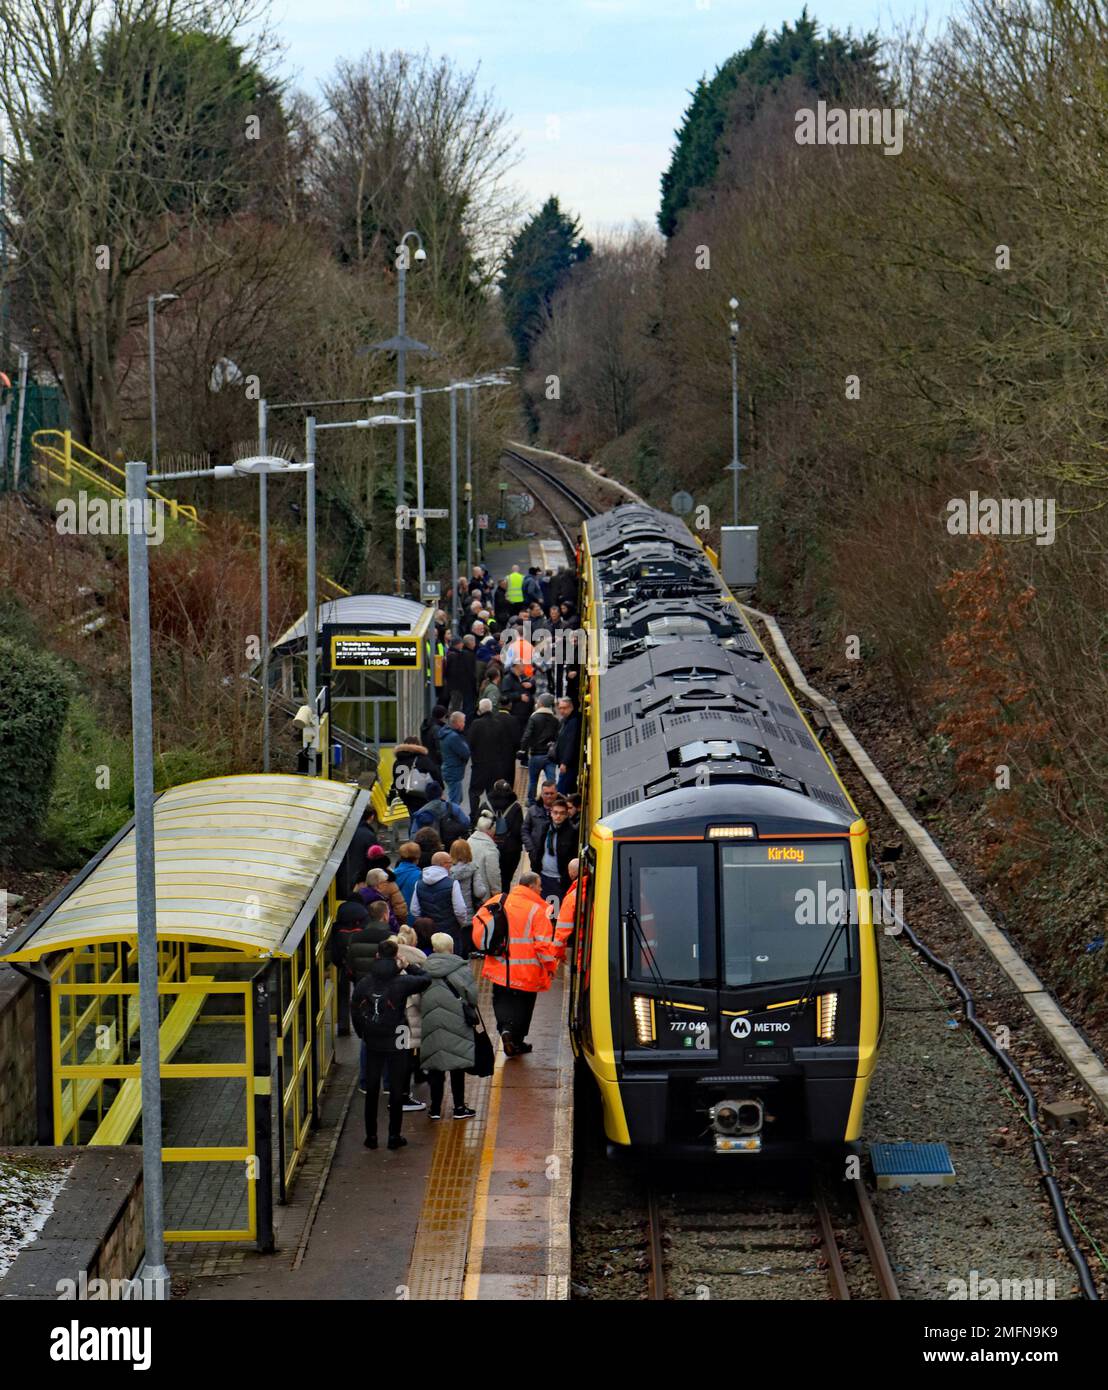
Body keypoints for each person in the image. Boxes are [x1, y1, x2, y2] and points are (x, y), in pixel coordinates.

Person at [352, 941, 430, 1149]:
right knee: (397, 1087)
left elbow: (355, 1010)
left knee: (372, 1087)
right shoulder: (401, 982)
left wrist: (364, 1033)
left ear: (377, 956)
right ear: (396, 957)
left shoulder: (365, 982)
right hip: (398, 1035)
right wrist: (407, 966)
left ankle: (371, 1137)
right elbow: (426, 980)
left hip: (373, 1038)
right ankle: (394, 1136)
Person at [472, 872, 557, 1056]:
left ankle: (505, 1030)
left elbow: (478, 921)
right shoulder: (537, 910)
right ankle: (517, 1040)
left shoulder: (500, 900)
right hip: (527, 970)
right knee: (524, 1005)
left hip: (499, 965)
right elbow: (542, 945)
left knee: (501, 999)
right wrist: (551, 967)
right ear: (532, 887)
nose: (541, 889)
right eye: (539, 885)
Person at [418, 932, 479, 1120]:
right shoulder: (461, 968)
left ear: (434, 949)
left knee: (436, 1066)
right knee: (457, 1065)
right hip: (457, 1022)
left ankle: (435, 1109)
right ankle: (459, 1107)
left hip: (431, 1023)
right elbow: (473, 997)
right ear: (451, 948)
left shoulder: (423, 968)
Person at [411, 851, 469, 955]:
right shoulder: (452, 883)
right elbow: (460, 910)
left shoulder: (419, 884)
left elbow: (414, 909)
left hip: (428, 932)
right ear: (444, 864)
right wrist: (461, 924)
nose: (452, 866)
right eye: (450, 863)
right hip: (450, 930)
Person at [529, 795, 575, 903]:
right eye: (555, 812)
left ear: (567, 814)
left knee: (554, 914)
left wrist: (565, 879)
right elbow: (539, 849)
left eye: (562, 813)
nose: (558, 816)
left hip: (558, 880)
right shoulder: (546, 828)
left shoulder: (571, 832)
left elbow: (571, 857)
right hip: (542, 876)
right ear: (551, 812)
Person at [519, 694, 560, 804]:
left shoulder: (534, 718)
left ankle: (531, 801)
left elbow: (527, 735)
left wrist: (523, 749)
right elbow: (558, 738)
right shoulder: (554, 720)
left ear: (540, 704)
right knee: (552, 781)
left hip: (536, 755)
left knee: (533, 781)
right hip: (550, 756)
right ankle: (553, 800)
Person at [390, 736, 441, 820]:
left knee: (413, 817)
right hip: (422, 796)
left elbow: (396, 781)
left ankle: (413, 831)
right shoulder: (423, 760)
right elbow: (435, 774)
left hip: (406, 797)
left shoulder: (398, 761)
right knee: (424, 819)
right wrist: (440, 789)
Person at [487, 779, 525, 888]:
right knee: (506, 880)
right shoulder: (516, 807)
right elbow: (519, 831)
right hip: (510, 851)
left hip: (490, 848)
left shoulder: (487, 805)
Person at [337, 806, 381, 898]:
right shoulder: (369, 835)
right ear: (372, 816)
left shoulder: (345, 832)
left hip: (341, 880)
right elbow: (375, 861)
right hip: (360, 880)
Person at [410, 780, 470, 846]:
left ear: (427, 797)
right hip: (451, 847)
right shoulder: (452, 807)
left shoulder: (421, 813)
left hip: (431, 850)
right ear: (441, 794)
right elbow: (465, 823)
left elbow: (413, 837)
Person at [449, 837, 489, 929]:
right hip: (470, 915)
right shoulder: (473, 869)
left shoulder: (448, 871)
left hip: (453, 915)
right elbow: (479, 892)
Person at [467, 813, 503, 898]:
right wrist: (497, 891)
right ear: (489, 830)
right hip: (483, 892)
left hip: (469, 890)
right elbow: (493, 872)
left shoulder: (469, 841)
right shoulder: (490, 848)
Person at [438, 714, 471, 805]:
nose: (464, 724)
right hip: (454, 772)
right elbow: (466, 753)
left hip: (449, 770)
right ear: (457, 723)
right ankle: (450, 818)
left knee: (458, 798)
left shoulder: (445, 733)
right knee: (454, 801)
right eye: (463, 722)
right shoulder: (454, 737)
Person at [522, 780, 558, 864]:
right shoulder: (532, 811)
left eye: (552, 793)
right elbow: (525, 830)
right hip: (537, 856)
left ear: (556, 793)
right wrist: (531, 848)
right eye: (546, 793)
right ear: (541, 794)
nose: (549, 796)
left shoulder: (564, 811)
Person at [444, 637, 477, 718]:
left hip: (455, 685)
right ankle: (454, 723)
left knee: (456, 705)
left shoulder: (453, 654)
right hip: (457, 686)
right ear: (458, 644)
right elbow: (455, 672)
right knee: (456, 706)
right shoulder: (455, 656)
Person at [555, 696, 580, 795]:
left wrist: (565, 762)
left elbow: (571, 743)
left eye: (564, 708)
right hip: (566, 763)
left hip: (569, 765)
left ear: (571, 707)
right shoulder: (566, 721)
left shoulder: (573, 721)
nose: (562, 711)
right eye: (560, 708)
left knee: (561, 791)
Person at [393, 841, 423, 910]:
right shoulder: (420, 875)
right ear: (417, 857)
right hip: (414, 914)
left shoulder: (393, 874)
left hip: (399, 914)